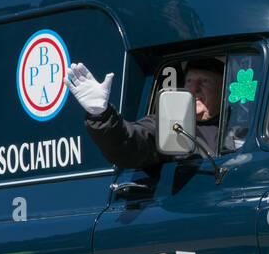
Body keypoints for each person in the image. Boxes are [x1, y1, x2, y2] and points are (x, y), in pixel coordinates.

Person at [70, 58, 224, 170]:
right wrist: (101, 115)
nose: (194, 89)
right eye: (189, 81)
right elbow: (131, 142)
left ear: (222, 89)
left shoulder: (234, 126)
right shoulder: (169, 124)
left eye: (205, 81)